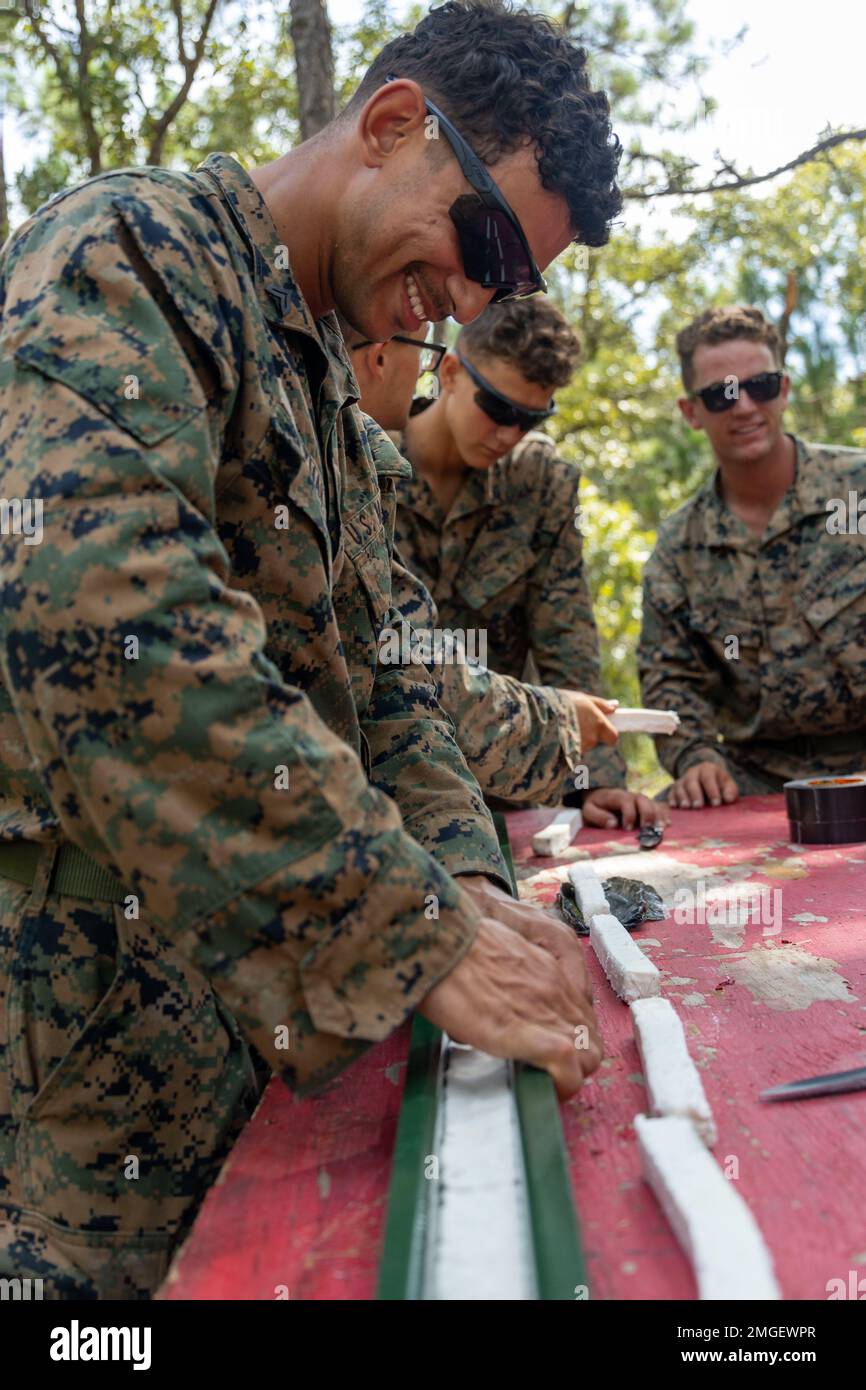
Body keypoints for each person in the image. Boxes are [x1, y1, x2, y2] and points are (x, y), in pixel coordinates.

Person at [0, 1, 622, 1297]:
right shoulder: (130, 249)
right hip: (68, 1130)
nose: (467, 302)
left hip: (242, 1081)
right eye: (482, 241)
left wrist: (470, 881)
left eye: (508, 285)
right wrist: (414, 930)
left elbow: (387, 683)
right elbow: (102, 618)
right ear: (391, 123)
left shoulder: (328, 400)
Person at [386, 299, 663, 828]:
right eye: (498, 408)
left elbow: (567, 637)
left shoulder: (539, 481)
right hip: (385, 782)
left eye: (531, 418)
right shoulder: (367, 462)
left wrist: (594, 781)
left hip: (502, 790)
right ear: (449, 371)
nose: (510, 435)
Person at [639, 305, 866, 808]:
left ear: (783, 390)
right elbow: (670, 676)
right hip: (753, 781)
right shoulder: (680, 546)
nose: (743, 406)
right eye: (721, 394)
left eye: (759, 386)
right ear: (691, 413)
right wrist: (695, 756)